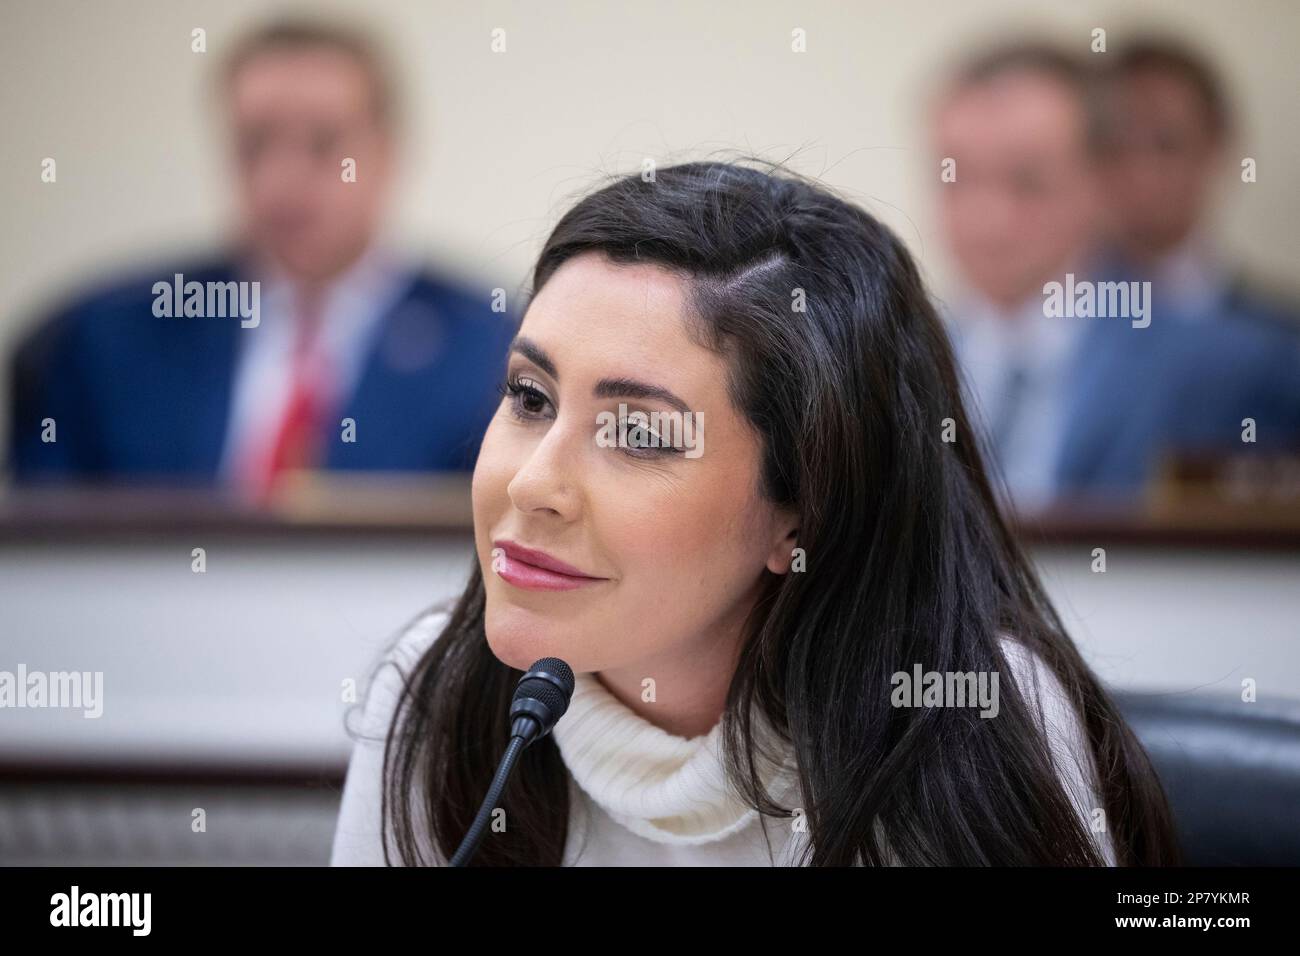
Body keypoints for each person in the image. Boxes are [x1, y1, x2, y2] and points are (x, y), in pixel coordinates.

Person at [330, 159, 1180, 866]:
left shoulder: (971, 724)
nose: (530, 485)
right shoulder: (435, 692)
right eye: (530, 397)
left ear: (801, 512)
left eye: (636, 433)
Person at [8, 19, 514, 496]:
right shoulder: (107, 341)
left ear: (387, 152)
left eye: (322, 144)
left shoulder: (490, 347)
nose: (282, 181)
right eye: (255, 145)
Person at [930, 42, 1300, 509]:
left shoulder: (1230, 366)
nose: (986, 217)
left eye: (1027, 182)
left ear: (1101, 182)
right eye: (954, 177)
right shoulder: (893, 358)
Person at [1098, 37, 1300, 339]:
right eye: (1115, 145)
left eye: (1167, 144)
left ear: (1216, 150)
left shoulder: (1280, 335)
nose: (1140, 171)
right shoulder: (1050, 321)